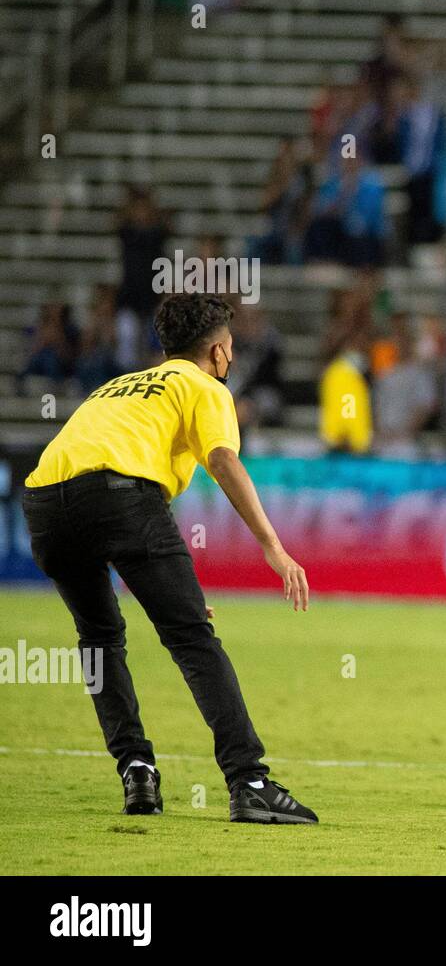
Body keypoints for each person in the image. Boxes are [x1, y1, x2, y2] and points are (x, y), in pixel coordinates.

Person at [22, 295, 317, 824]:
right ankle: (249, 781)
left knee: (99, 640)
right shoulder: (203, 386)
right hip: (119, 495)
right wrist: (273, 545)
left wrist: (179, 590)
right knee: (191, 639)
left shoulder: (119, 385)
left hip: (44, 501)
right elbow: (222, 460)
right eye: (229, 347)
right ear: (219, 351)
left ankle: (137, 770)